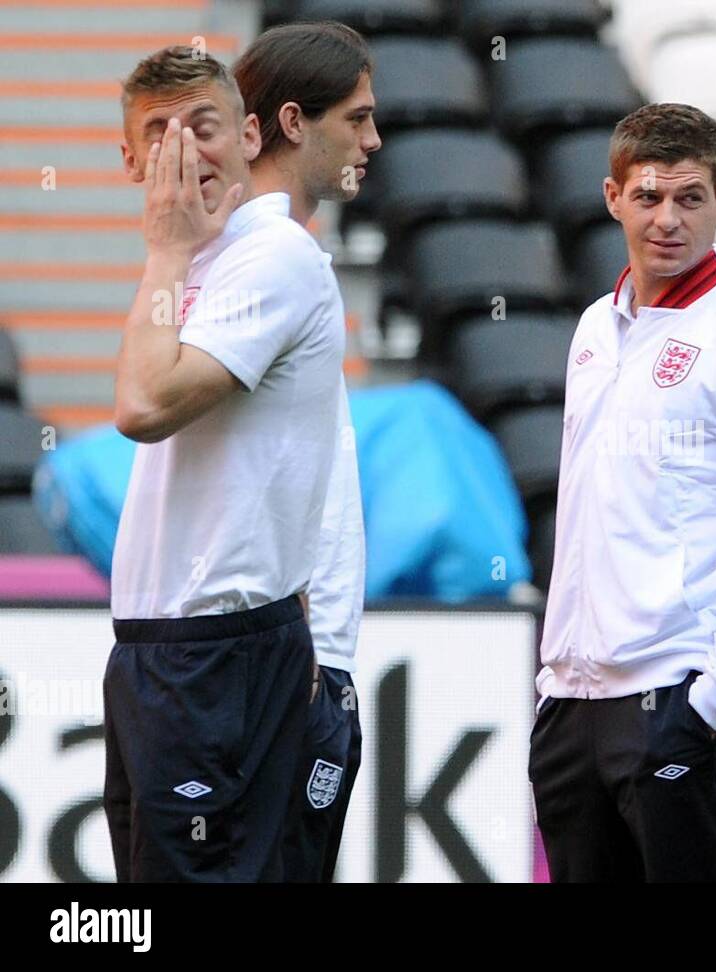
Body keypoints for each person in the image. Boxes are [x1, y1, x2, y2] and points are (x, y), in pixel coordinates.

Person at [528, 103, 716, 883]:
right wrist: (555, 693)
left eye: (691, 198)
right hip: (571, 700)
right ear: (612, 197)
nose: (668, 218)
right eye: (650, 196)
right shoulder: (594, 326)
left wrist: (715, 700)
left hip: (676, 698)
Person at [105, 45, 345, 881]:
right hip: (158, 647)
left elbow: (141, 407)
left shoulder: (266, 256)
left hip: (217, 651)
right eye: (160, 135)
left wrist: (165, 252)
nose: (185, 153)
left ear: (249, 134)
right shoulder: (205, 259)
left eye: (203, 128)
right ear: (132, 161)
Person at [232, 20, 380, 884]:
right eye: (357, 118)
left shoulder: (282, 255)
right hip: (284, 663)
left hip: (296, 659)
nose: (373, 139)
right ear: (294, 120)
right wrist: (310, 659)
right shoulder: (270, 258)